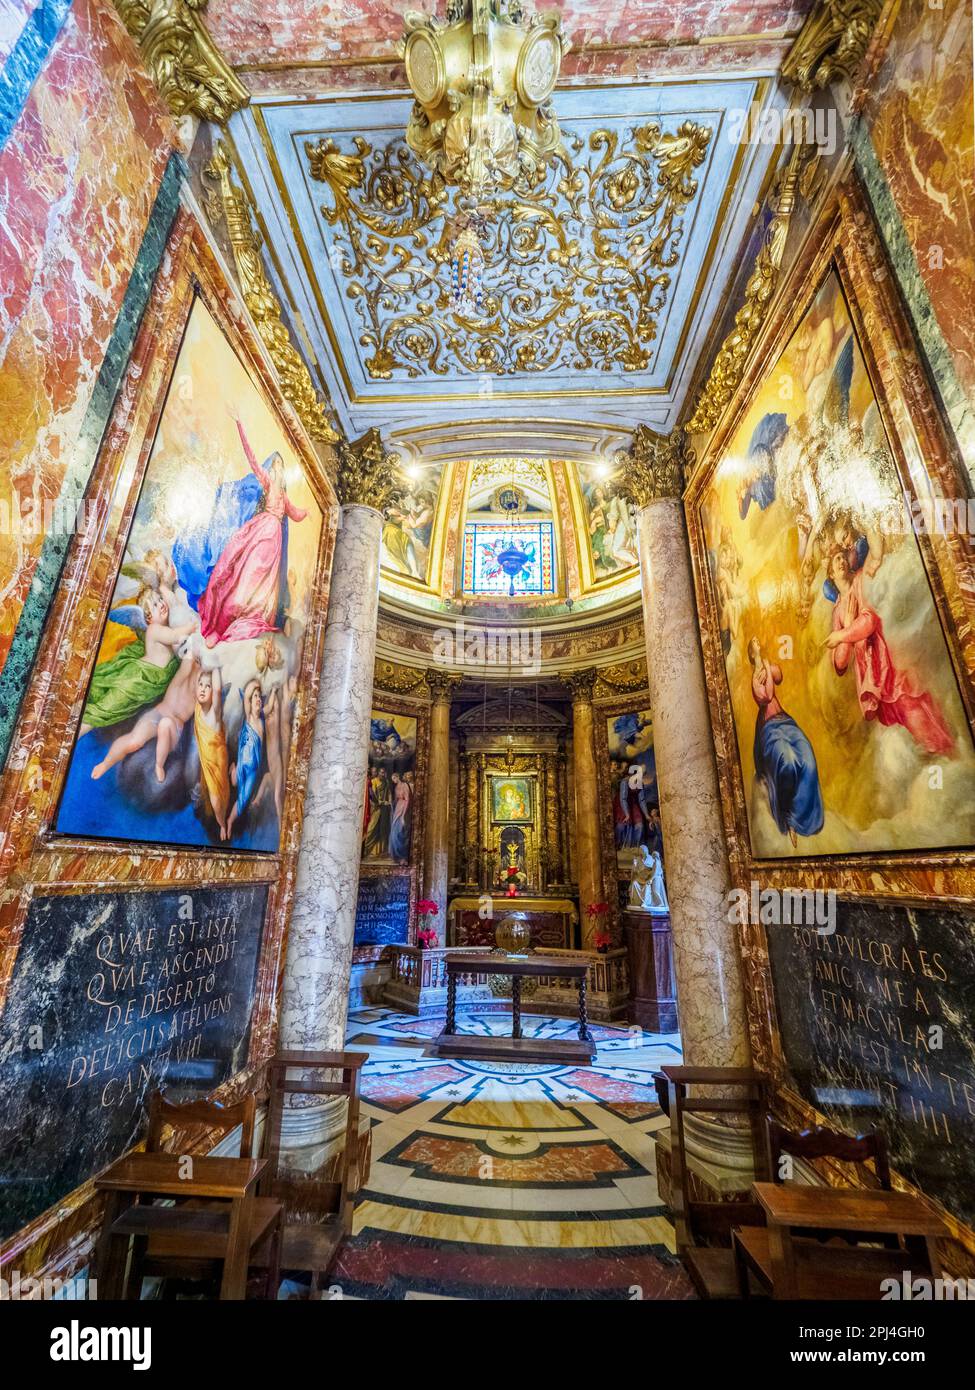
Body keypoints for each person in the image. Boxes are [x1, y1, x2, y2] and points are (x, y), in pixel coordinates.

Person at [195, 412, 308, 648]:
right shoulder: (267, 483)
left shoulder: (284, 497)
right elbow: (253, 460)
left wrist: (310, 511)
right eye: (275, 464)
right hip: (259, 531)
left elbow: (296, 514)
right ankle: (221, 625)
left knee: (260, 582)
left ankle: (237, 624)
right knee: (240, 573)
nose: (277, 468)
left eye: (280, 465)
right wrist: (240, 425)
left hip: (272, 540)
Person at [823, 553, 955, 756]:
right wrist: (846, 629)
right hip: (872, 674)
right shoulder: (839, 610)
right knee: (901, 726)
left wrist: (842, 634)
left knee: (914, 710)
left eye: (842, 557)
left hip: (888, 661)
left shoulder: (860, 581)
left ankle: (947, 754)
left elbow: (869, 621)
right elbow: (840, 664)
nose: (841, 561)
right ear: (831, 573)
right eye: (836, 560)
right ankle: (937, 764)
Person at [80, 588, 198, 738]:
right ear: (148, 618)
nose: (161, 604)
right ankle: (76, 731)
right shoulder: (154, 630)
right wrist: (191, 627)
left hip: (146, 683)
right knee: (106, 710)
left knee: (115, 709)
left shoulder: (162, 627)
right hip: (137, 679)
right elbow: (175, 636)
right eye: (155, 605)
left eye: (160, 600)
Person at [749, 637, 824, 847]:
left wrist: (766, 665)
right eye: (755, 643)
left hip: (787, 721)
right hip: (770, 729)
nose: (758, 642)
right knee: (788, 761)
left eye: (758, 641)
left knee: (808, 760)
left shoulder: (765, 669)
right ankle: (789, 817)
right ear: (751, 652)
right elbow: (767, 695)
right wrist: (761, 665)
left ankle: (805, 818)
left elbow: (779, 674)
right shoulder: (755, 679)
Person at [193, 667, 230, 839]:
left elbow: (217, 690)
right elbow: (197, 676)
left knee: (217, 800)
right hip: (206, 760)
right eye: (200, 685)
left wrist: (214, 664)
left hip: (217, 763)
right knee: (204, 786)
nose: (202, 688)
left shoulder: (214, 715)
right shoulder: (198, 708)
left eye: (207, 686)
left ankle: (222, 823)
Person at [227, 679, 267, 836]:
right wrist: (256, 683)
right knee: (235, 781)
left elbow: (269, 707)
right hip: (243, 762)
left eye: (259, 697)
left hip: (253, 769)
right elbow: (247, 696)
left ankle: (230, 821)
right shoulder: (249, 717)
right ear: (249, 702)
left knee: (243, 800)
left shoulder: (261, 719)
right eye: (255, 696)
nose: (258, 699)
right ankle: (233, 770)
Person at [389, 771, 413, 862]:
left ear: (398, 777)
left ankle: (402, 856)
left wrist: (403, 815)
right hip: (397, 808)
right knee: (394, 832)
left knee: (400, 832)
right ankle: (396, 855)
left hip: (403, 808)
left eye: (394, 778)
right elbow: (396, 799)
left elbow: (407, 800)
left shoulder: (405, 785)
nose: (394, 781)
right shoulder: (396, 788)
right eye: (392, 780)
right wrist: (390, 803)